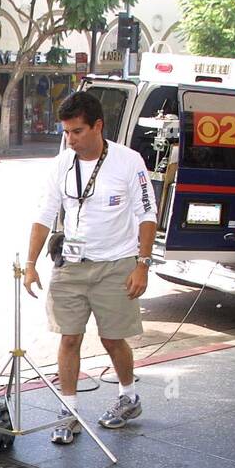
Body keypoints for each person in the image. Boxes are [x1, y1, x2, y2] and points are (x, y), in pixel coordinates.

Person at [24, 90, 157, 441]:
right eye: (65, 132)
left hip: (117, 264)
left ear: (98, 126)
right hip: (71, 263)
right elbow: (44, 213)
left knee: (113, 339)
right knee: (70, 338)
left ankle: (128, 398)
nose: (70, 140)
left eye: (77, 131)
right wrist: (31, 263)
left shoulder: (129, 162)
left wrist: (142, 264)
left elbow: (147, 215)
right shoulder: (62, 163)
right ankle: (68, 412)